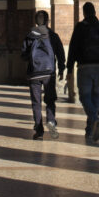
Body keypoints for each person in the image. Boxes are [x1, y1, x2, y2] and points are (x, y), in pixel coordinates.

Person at [66, 2, 99, 144]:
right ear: (94, 11)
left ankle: (94, 119)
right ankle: (89, 131)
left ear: (84, 13)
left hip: (85, 67)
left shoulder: (81, 27)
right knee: (95, 97)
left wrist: (69, 69)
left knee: (84, 97)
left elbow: (73, 48)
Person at [21, 10, 65, 140]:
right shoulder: (53, 35)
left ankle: (39, 129)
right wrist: (61, 69)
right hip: (49, 72)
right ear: (47, 21)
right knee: (50, 100)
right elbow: (60, 54)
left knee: (36, 102)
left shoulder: (30, 35)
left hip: (34, 73)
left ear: (35, 21)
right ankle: (51, 120)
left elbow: (23, 55)